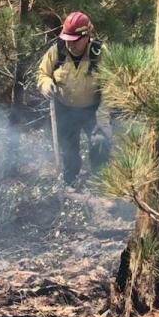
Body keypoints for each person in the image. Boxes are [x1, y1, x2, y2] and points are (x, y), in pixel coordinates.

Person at [37, 11, 111, 187]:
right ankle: (70, 182)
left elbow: (110, 86)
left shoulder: (99, 52)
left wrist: (103, 118)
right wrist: (46, 83)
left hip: (93, 109)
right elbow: (42, 73)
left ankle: (99, 183)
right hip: (66, 109)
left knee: (100, 143)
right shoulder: (57, 51)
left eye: (74, 39)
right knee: (68, 149)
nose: (70, 44)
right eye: (67, 38)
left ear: (86, 36)